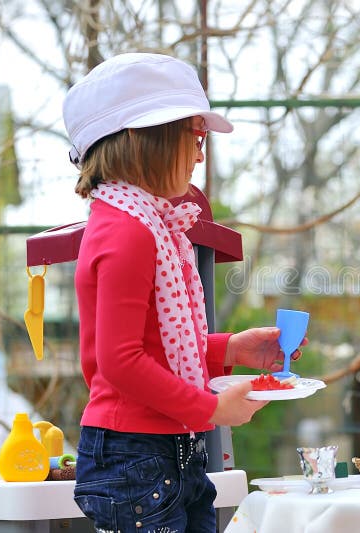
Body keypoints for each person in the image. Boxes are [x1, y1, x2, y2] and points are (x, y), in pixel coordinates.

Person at [62, 52, 303, 532]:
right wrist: (212, 408)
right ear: (140, 139)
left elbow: (158, 345)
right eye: (193, 136)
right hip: (134, 454)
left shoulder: (150, 224)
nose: (199, 153)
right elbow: (121, 361)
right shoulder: (128, 231)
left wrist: (231, 348)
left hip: (166, 448)